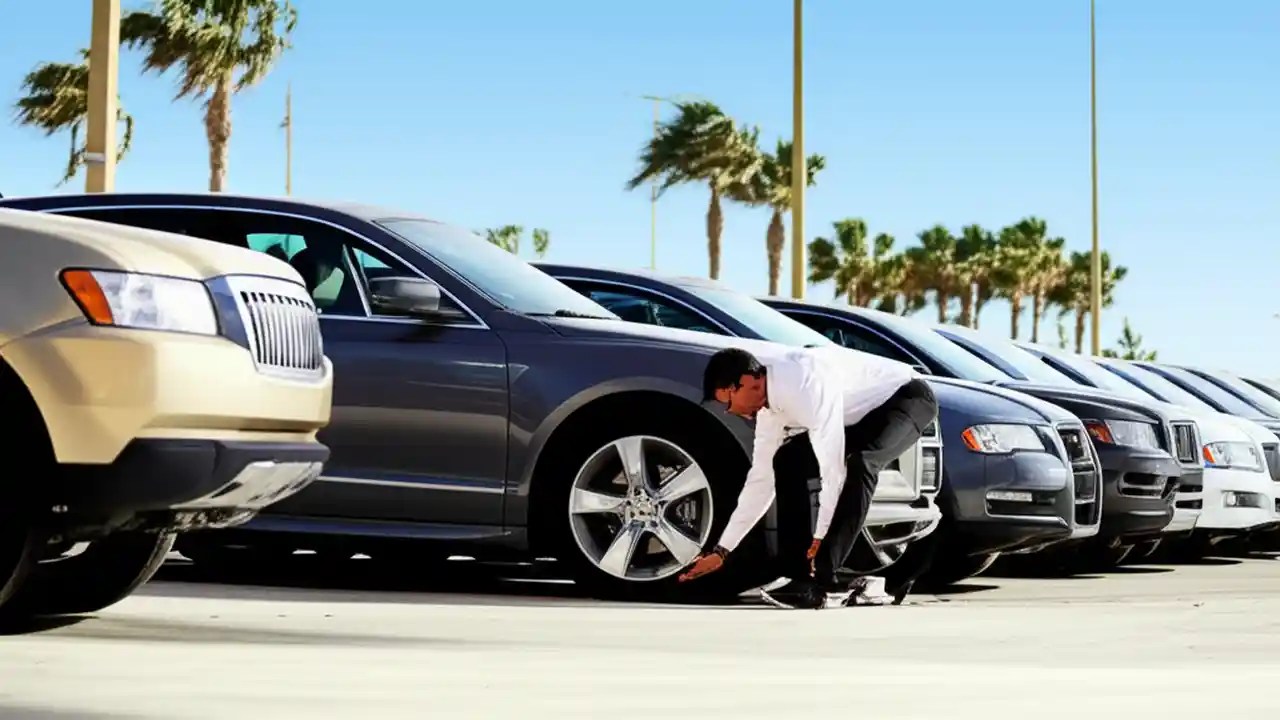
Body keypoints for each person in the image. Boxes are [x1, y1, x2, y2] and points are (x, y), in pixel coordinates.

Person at [677, 344, 938, 609]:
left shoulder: (806, 383)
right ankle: (796, 576)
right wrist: (722, 551)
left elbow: (833, 473)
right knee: (788, 459)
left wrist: (820, 537)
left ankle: (825, 580)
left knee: (861, 464)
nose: (730, 411)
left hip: (907, 397)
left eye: (729, 401)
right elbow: (760, 483)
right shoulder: (770, 412)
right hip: (860, 414)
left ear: (748, 381)